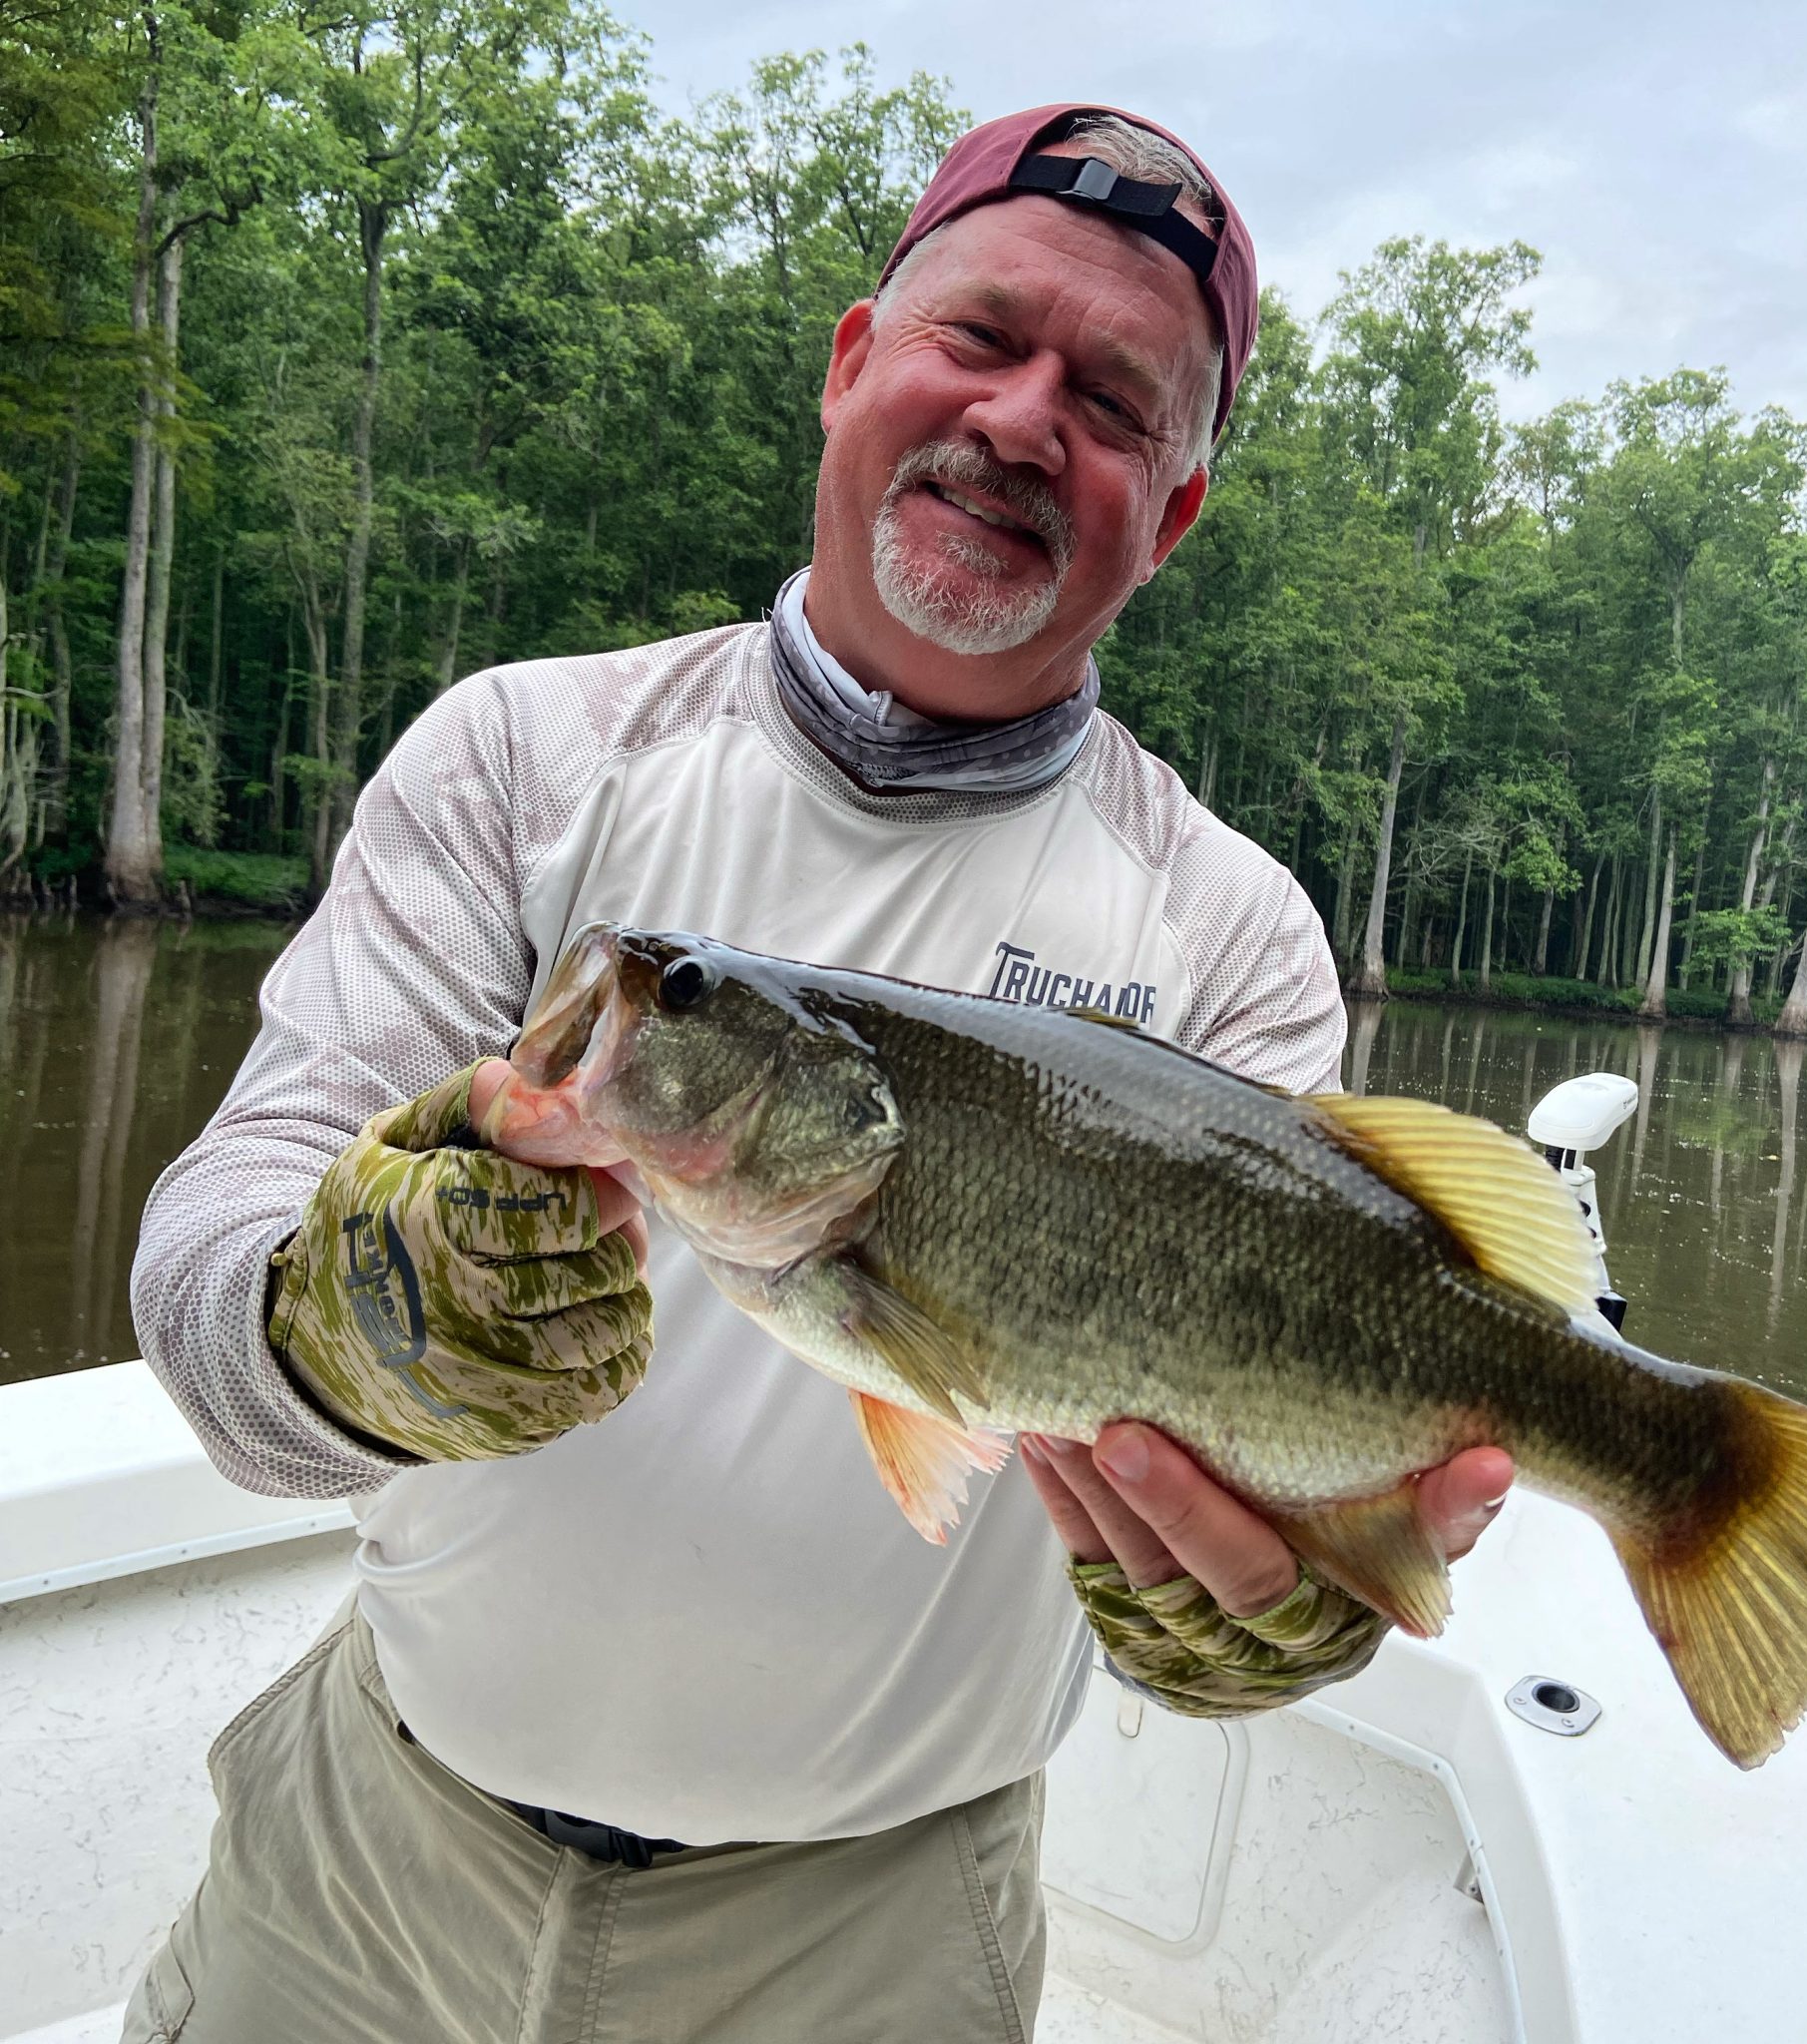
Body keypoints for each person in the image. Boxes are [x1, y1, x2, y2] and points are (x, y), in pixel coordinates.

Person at [126, 105, 1514, 2044]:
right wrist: (336, 1328)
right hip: (371, 1859)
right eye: (981, 339)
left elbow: (1287, 1504)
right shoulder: (522, 758)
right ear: (854, 360)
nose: (1026, 420)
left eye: (1114, 402)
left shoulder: (1227, 934)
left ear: (1174, 509)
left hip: (873, 1945)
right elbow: (213, 1255)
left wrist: (1260, 1630)